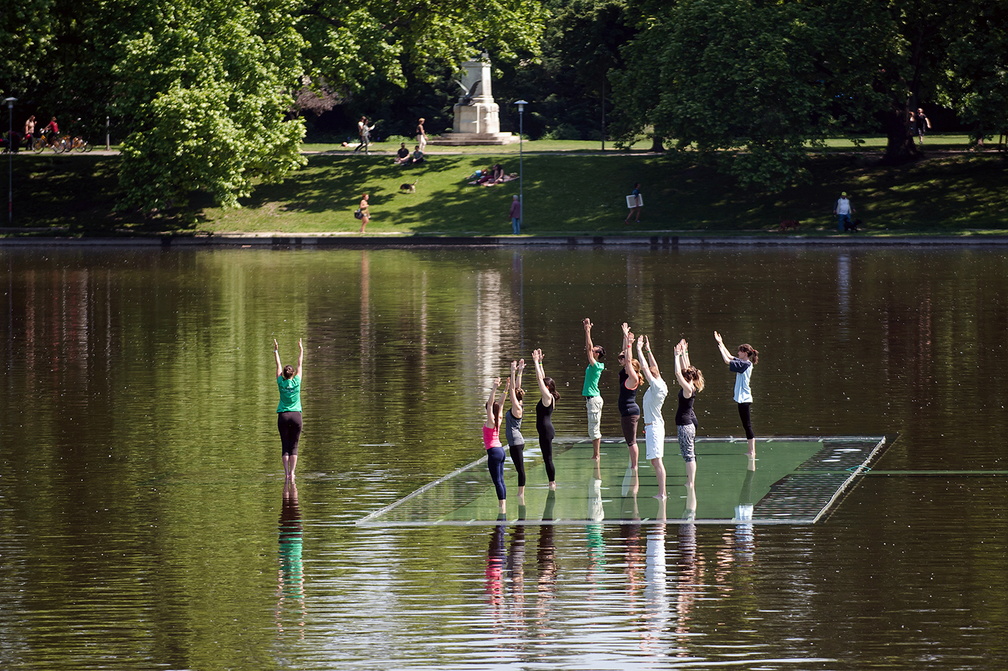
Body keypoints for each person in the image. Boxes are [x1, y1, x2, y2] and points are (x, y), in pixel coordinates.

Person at [713, 331, 759, 457]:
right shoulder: (742, 362)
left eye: (740, 351)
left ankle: (752, 451)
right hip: (742, 399)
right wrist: (720, 343)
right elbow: (730, 356)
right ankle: (751, 450)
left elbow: (727, 360)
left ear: (745, 353)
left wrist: (720, 348)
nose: (738, 353)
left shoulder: (745, 364)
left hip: (744, 399)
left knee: (747, 425)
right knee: (746, 425)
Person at [636, 335, 669, 499]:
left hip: (654, 428)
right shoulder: (660, 382)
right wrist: (648, 349)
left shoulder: (656, 386)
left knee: (657, 461)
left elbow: (645, 367)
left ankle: (662, 493)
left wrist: (638, 349)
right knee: (655, 461)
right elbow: (653, 366)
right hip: (652, 426)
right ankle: (661, 492)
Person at [672, 338, 704, 491]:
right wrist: (684, 352)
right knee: (689, 453)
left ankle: (690, 483)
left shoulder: (688, 389)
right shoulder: (692, 384)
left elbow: (678, 372)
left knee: (688, 455)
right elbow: (687, 369)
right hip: (689, 421)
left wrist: (676, 355)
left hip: (686, 425)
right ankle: (690, 480)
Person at [274, 338, 304, 484]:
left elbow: (278, 364)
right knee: (294, 446)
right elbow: (300, 363)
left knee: (285, 445)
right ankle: (292, 474)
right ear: (292, 374)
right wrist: (301, 349)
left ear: (284, 375)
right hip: (296, 415)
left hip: (283, 416)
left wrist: (276, 350)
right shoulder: (297, 381)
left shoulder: (280, 382)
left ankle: (286, 474)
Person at [531, 348, 559, 490]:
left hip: (546, 431)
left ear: (547, 387)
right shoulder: (550, 396)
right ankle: (551, 481)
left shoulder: (547, 397)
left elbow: (539, 380)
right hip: (546, 430)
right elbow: (542, 378)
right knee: (546, 457)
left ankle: (552, 483)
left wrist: (535, 362)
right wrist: (541, 363)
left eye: (544, 384)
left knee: (547, 458)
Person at [617, 322, 642, 471]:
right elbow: (625, 357)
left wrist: (630, 345)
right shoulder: (626, 375)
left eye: (628, 365)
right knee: (630, 441)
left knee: (631, 441)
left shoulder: (633, 378)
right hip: (627, 412)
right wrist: (625, 338)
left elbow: (628, 358)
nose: (625, 365)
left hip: (630, 413)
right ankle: (633, 463)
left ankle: (634, 466)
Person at [504, 359, 528, 504]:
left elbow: (513, 389)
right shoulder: (519, 403)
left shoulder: (517, 408)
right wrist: (520, 371)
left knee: (520, 469)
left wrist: (513, 371)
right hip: (515, 442)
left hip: (516, 443)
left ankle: (521, 494)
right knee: (519, 468)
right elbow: (516, 388)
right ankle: (520, 492)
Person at [582, 318, 605, 461]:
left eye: (594, 350)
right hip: (592, 400)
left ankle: (596, 455)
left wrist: (587, 331)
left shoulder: (596, 366)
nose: (591, 350)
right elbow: (589, 348)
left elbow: (589, 348)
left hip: (594, 400)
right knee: (593, 428)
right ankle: (595, 454)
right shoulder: (593, 366)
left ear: (597, 354)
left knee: (594, 429)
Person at [484, 376, 508, 515]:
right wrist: (504, 389)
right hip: (500, 450)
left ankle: (502, 507)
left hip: (493, 452)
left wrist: (494, 388)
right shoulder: (498, 418)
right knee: (501, 480)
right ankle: (503, 504)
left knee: (497, 481)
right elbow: (500, 404)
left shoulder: (491, 420)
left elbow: (492, 404)